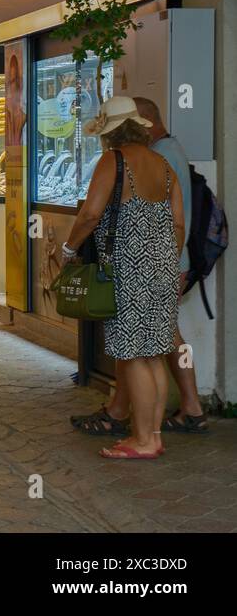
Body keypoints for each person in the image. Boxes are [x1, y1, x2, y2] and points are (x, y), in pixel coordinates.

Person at [71, 98, 206, 437]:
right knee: (155, 352)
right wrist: (165, 259)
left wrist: (67, 247)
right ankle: (152, 431)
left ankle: (145, 436)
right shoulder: (163, 163)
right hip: (163, 266)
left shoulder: (114, 161)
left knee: (135, 355)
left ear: (110, 132)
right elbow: (178, 225)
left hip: (130, 272)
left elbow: (90, 214)